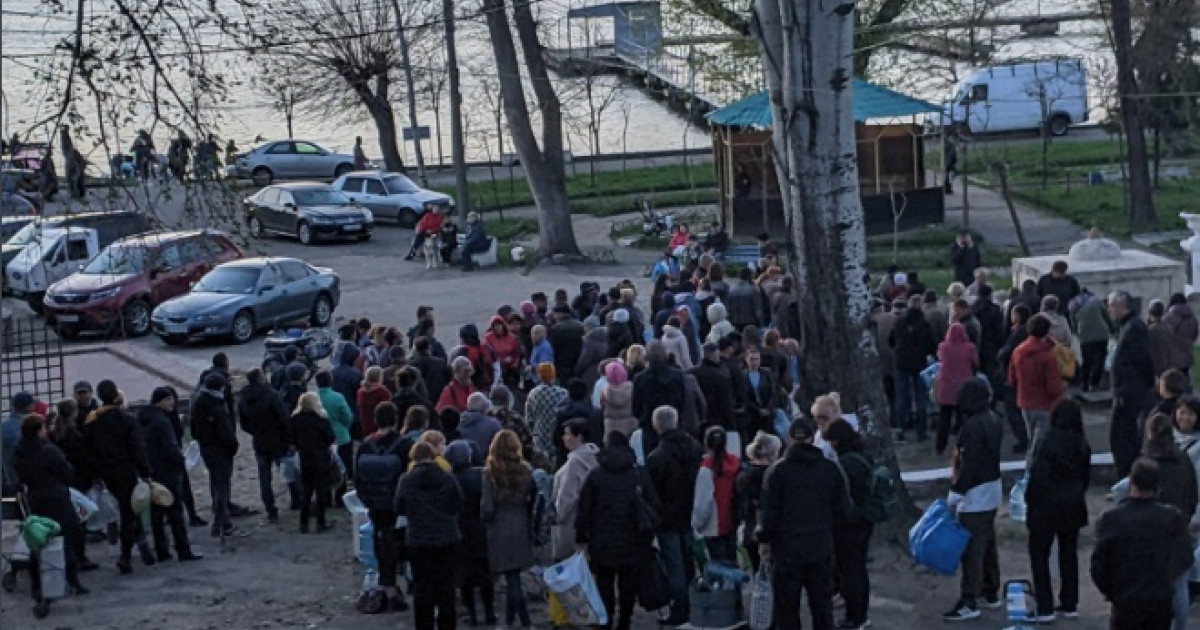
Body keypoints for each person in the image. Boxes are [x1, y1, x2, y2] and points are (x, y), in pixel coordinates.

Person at [758, 417, 848, 630]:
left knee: (787, 607)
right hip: (820, 546)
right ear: (812, 438)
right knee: (822, 605)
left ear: (789, 439)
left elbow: (769, 514)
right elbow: (843, 511)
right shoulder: (830, 469)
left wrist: (764, 540)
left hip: (787, 550)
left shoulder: (776, 472)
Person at [1092, 458, 1194, 630]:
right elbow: (1184, 559)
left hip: (1125, 601)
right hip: (1159, 601)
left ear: (1132, 482)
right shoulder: (1172, 519)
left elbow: (1099, 565)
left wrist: (1112, 592)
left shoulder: (1111, 520)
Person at [576, 431, 660, 630]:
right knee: (628, 584)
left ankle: (605, 619)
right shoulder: (638, 474)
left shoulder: (596, 475)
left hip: (602, 540)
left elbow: (584, 509)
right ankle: (625, 620)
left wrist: (581, 536)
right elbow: (654, 504)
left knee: (604, 582)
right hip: (634, 539)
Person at [942, 377, 1004, 621]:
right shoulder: (994, 419)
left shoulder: (972, 427)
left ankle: (969, 599)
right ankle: (990, 591)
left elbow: (968, 466)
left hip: (975, 494)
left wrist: (955, 492)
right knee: (987, 542)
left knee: (973, 548)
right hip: (992, 488)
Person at [1025, 400, 1090, 623]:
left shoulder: (1047, 443)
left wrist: (1029, 500)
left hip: (1046, 506)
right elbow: (1085, 478)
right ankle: (1070, 603)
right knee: (1068, 553)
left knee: (1039, 554)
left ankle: (1045, 606)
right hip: (1073, 505)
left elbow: (1038, 478)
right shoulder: (1082, 444)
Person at [13, 414, 89, 596]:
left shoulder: (19, 451)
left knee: (38, 540)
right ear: (39, 431)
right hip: (56, 497)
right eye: (44, 428)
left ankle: (37, 586)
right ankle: (72, 581)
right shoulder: (48, 450)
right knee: (66, 537)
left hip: (34, 498)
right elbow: (67, 471)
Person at [81, 380, 152, 573]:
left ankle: (135, 547)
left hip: (106, 472)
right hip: (126, 470)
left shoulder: (92, 420)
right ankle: (126, 555)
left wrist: (95, 472)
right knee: (129, 511)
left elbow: (88, 450)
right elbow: (137, 448)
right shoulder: (127, 419)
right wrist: (145, 472)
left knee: (121, 508)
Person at [397, 441, 462, 630]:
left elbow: (399, 507)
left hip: (418, 539)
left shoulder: (406, 480)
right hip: (446, 537)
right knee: (446, 588)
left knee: (422, 588)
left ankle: (424, 625)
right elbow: (458, 503)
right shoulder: (447, 478)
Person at [357, 402, 411, 612]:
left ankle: (383, 583)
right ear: (396, 419)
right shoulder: (404, 445)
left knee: (379, 541)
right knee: (396, 544)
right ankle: (392, 586)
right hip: (395, 504)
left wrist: (367, 499)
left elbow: (358, 477)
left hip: (374, 503)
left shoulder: (366, 445)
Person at [139, 388, 202, 562]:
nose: (172, 403)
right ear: (161, 401)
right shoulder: (162, 421)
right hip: (168, 471)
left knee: (157, 513)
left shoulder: (143, 419)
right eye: (169, 400)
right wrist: (182, 462)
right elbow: (170, 447)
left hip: (152, 471)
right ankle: (183, 550)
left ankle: (162, 551)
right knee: (175, 511)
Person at [824, 419, 875, 630]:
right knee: (858, 570)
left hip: (848, 526)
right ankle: (860, 615)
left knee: (850, 572)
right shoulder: (863, 457)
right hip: (864, 521)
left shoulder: (845, 464)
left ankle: (855, 617)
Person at [481, 430, 536, 628]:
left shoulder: (489, 473)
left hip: (498, 527)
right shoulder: (526, 471)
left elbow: (487, 507)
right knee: (514, 578)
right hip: (520, 525)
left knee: (510, 579)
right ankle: (517, 620)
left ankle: (518, 621)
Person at [238, 369, 296, 522]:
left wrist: (255, 432)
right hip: (278, 440)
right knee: (288, 471)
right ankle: (296, 500)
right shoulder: (271, 395)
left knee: (264, 478)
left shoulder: (244, 398)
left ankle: (270, 509)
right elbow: (284, 418)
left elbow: (243, 423)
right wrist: (290, 439)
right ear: (261, 378)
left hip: (260, 441)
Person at [1109, 290, 1156, 478]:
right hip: (1126, 389)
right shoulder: (1127, 326)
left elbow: (1143, 359)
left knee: (1122, 435)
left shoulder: (1134, 327)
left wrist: (1140, 385)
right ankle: (1130, 475)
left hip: (1130, 390)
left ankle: (1129, 475)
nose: (1109, 310)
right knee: (1123, 435)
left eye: (1111, 305)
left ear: (1121, 306)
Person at [1007, 314, 1065, 459]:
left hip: (1024, 402)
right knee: (1040, 445)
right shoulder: (1048, 356)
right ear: (1047, 332)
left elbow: (1011, 379)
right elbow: (1054, 388)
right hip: (1045, 404)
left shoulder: (1018, 351)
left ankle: (1031, 471)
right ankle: (1032, 472)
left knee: (1032, 438)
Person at [551, 418, 600, 561]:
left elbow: (567, 496)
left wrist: (557, 516)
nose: (563, 437)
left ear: (578, 437)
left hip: (571, 523)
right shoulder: (595, 455)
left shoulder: (573, 463)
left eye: (567, 434)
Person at [889, 300, 937, 443]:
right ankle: (921, 432)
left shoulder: (899, 323)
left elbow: (891, 340)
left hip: (901, 362)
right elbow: (932, 345)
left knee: (901, 398)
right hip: (919, 363)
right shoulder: (924, 325)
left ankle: (900, 430)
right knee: (920, 397)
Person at [693, 426, 741, 563]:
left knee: (719, 566)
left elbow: (703, 501)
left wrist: (697, 524)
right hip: (732, 520)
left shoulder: (707, 468)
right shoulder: (735, 463)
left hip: (713, 524)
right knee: (732, 560)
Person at [291, 393, 336, 533]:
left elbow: (292, 439)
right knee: (321, 490)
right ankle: (320, 522)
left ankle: (303, 523)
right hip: (321, 457)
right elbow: (331, 437)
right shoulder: (321, 419)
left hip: (305, 457)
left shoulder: (296, 419)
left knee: (306, 490)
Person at [737, 431, 780, 573]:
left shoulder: (743, 477)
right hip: (773, 532)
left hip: (750, 530)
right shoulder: (776, 476)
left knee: (758, 573)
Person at [936, 323, 979, 455]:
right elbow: (976, 363)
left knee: (944, 418)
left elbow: (939, 358)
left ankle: (940, 446)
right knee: (964, 418)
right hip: (964, 387)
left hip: (946, 387)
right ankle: (965, 444)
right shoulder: (970, 348)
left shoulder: (943, 347)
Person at [1070, 289, 1114, 392]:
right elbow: (1106, 317)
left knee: (1086, 360)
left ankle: (1084, 384)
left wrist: (1077, 332)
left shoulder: (1073, 305)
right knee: (1100, 359)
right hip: (1101, 334)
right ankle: (1094, 383)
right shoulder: (1096, 301)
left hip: (1085, 336)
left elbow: (1073, 323)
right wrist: (1112, 329)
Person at [2, 392, 34, 496]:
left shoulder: (3, 426)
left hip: (6, 478)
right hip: (23, 481)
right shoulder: (28, 428)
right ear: (28, 407)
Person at [458, 392, 502, 458]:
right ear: (485, 408)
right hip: (484, 464)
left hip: (461, 463)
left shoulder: (457, 421)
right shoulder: (494, 425)